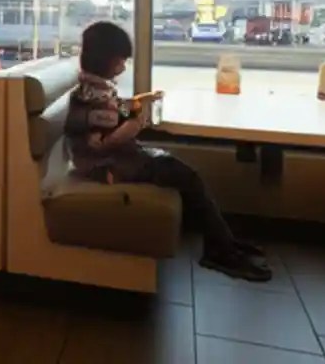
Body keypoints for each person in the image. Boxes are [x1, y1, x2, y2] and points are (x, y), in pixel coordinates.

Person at [64, 20, 271, 282]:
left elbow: (115, 112)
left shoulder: (96, 89)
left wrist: (140, 105)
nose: (123, 67)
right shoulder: (89, 96)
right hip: (108, 167)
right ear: (105, 59)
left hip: (117, 159)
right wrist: (136, 123)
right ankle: (220, 249)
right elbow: (104, 140)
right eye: (120, 61)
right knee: (190, 178)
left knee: (186, 175)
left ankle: (223, 240)